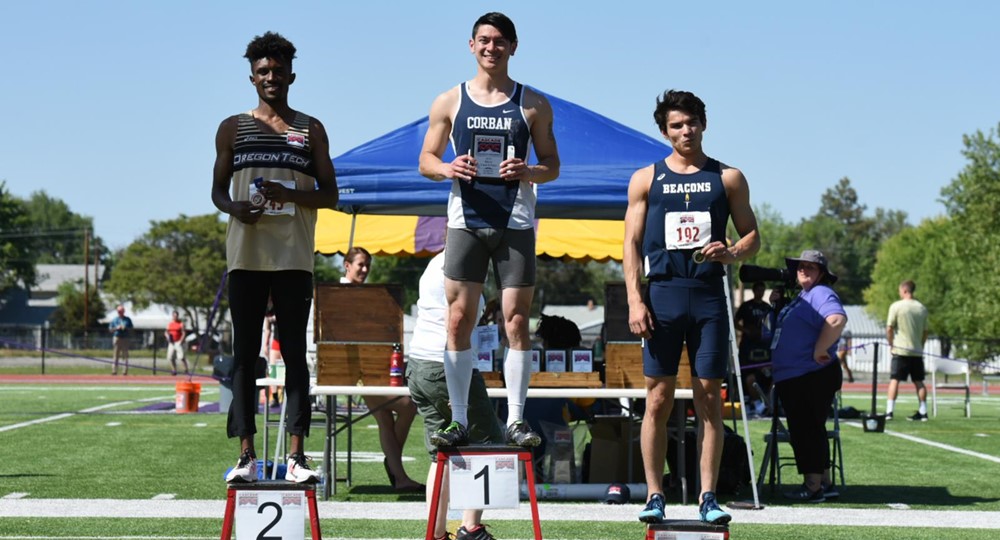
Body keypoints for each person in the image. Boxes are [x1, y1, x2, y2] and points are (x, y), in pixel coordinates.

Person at [418, 12, 560, 448]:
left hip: (514, 223)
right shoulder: (449, 101)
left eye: (500, 41)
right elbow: (426, 158)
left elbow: (552, 167)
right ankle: (458, 419)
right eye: (484, 40)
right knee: (459, 319)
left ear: (513, 47)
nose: (491, 47)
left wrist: (527, 170)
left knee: (516, 321)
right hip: (466, 222)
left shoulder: (532, 103)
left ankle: (516, 420)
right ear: (471, 45)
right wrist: (447, 167)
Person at [623, 89, 760, 525]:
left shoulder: (729, 177)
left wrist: (733, 252)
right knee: (658, 399)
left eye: (692, 122)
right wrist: (634, 298)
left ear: (704, 123)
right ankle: (655, 494)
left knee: (708, 401)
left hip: (708, 296)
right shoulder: (646, 178)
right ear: (665, 132)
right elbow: (629, 243)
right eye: (677, 125)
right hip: (662, 294)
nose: (686, 131)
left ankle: (707, 496)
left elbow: (752, 236)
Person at [211, 31, 338, 484]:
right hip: (245, 256)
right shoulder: (232, 127)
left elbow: (331, 194)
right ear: (252, 77)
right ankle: (246, 455)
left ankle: (297, 457)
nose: (271, 77)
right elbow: (217, 191)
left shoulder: (311, 128)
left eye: (278, 71)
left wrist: (293, 193)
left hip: (294, 257)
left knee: (295, 357)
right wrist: (234, 208)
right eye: (263, 71)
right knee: (245, 356)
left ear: (291, 76)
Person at [407, 251, 503, 540]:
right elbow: (457, 322)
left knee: (441, 456)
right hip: (446, 364)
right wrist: (456, 391)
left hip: (420, 363)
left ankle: (436, 533)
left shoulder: (435, 262)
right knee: (490, 444)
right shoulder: (464, 262)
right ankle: (470, 527)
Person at [340, 246, 423, 491]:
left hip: (370, 367)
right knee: (408, 405)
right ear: (347, 265)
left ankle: (399, 476)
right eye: (360, 265)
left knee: (386, 419)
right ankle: (395, 467)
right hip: (355, 372)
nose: (365, 270)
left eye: (368, 265)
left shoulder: (360, 293)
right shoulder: (341, 294)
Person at [770, 250, 847, 502]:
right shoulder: (802, 297)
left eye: (810, 268)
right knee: (812, 428)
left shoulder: (821, 293)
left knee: (805, 430)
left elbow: (836, 319)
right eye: (800, 267)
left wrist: (820, 348)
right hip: (800, 375)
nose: (803, 270)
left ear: (822, 274)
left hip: (809, 374)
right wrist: (776, 307)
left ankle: (812, 486)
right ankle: (824, 482)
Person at [885, 280, 930, 421]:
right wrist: (920, 345)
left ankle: (889, 412)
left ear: (904, 290)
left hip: (900, 350)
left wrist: (891, 344)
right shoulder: (921, 308)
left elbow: (889, 328)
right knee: (919, 381)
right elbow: (926, 331)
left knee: (895, 380)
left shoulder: (897, 306)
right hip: (916, 350)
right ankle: (923, 412)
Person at [734, 282, 773, 416]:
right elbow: (735, 322)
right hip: (748, 347)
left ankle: (768, 403)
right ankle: (755, 404)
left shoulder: (767, 307)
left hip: (763, 348)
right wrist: (746, 330)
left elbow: (772, 325)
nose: (760, 293)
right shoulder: (746, 306)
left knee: (768, 375)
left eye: (763, 290)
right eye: (758, 290)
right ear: (754, 291)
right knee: (748, 376)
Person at [108, 305, 133, 376]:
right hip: (117, 337)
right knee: (116, 355)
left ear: (123, 311)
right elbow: (110, 329)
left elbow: (131, 329)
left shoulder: (127, 319)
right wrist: (116, 328)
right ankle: (114, 371)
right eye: (118, 311)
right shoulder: (114, 320)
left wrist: (125, 328)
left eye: (121, 311)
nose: (119, 312)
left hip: (125, 338)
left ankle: (124, 371)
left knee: (125, 355)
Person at [164, 310, 189, 376]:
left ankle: (186, 369)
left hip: (178, 342)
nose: (175, 317)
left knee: (181, 357)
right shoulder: (170, 324)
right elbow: (166, 332)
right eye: (174, 316)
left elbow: (184, 333)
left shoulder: (180, 324)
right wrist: (167, 338)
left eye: (176, 316)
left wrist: (181, 341)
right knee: (170, 357)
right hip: (172, 342)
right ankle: (174, 370)